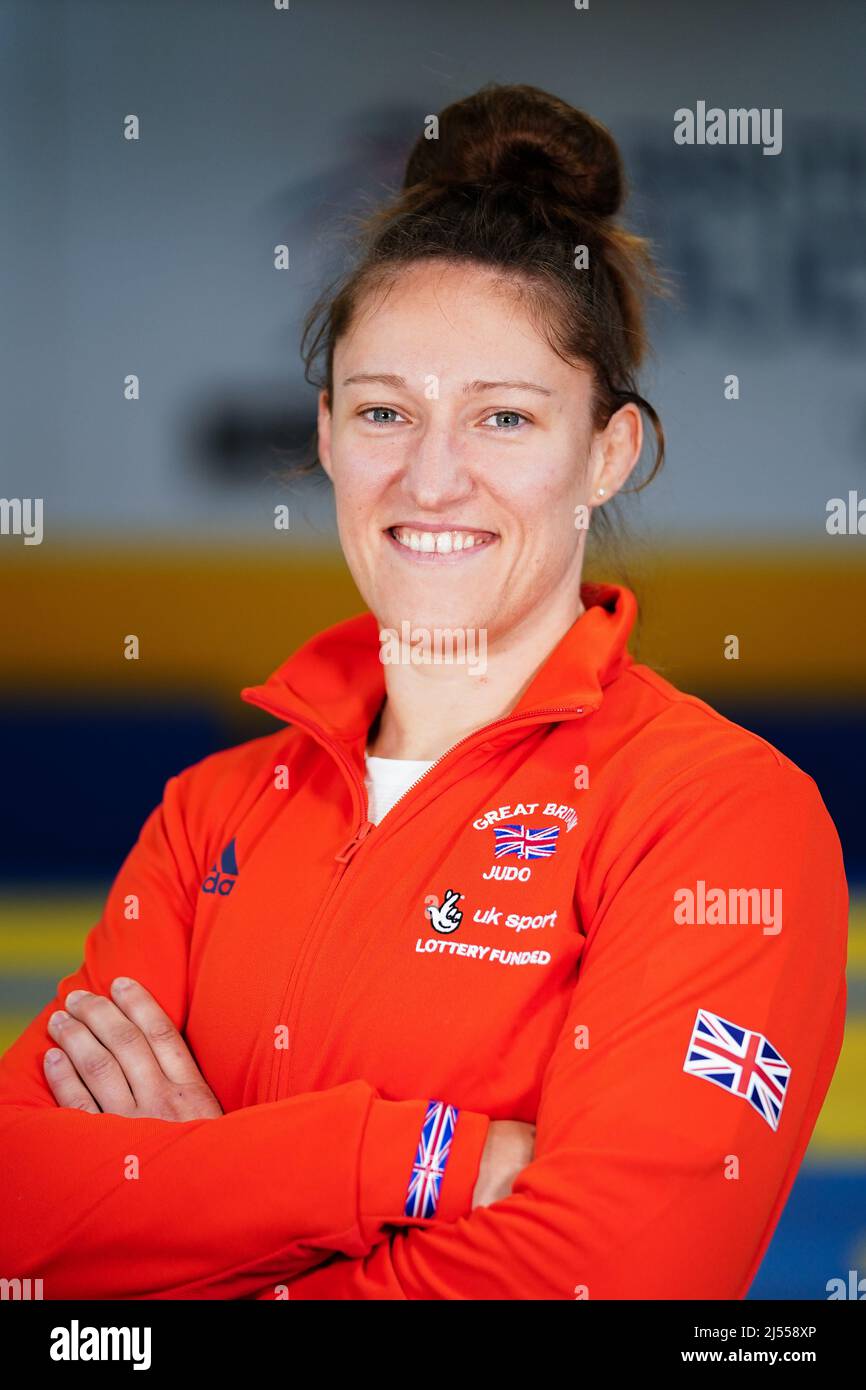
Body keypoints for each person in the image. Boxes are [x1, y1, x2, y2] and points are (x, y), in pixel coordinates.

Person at [0, 83, 847, 1301]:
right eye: (384, 411)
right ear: (330, 437)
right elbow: (21, 1210)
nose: (430, 478)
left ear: (605, 453)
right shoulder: (210, 818)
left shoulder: (714, 817)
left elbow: (613, 1279)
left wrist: (194, 1210)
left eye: (503, 417)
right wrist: (400, 1158)